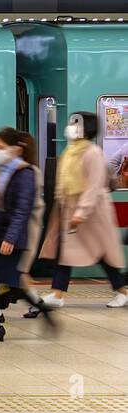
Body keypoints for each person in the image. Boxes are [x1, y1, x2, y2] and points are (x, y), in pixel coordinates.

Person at [37, 111, 128, 308]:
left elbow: (94, 186)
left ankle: (122, 290)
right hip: (70, 210)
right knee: (66, 251)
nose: (70, 127)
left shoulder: (92, 152)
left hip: (92, 212)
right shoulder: (71, 151)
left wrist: (81, 212)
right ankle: (57, 293)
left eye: (75, 124)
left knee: (101, 253)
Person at [0, 127, 53, 342]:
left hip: (11, 238)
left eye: (0, 147)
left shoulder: (25, 173)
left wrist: (11, 237)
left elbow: (22, 209)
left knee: (2, 281)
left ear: (16, 149)